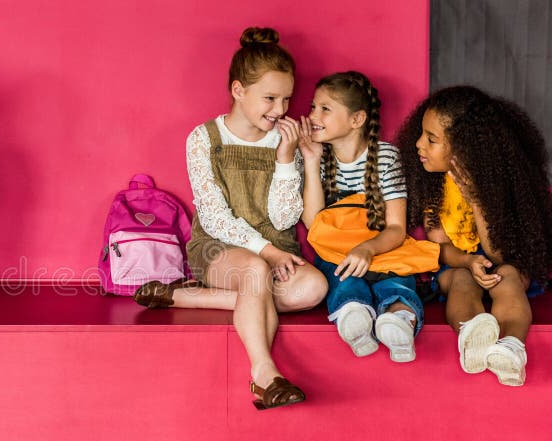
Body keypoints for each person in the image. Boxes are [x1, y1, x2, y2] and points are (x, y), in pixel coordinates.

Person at [134, 27, 327, 410]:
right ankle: (264, 374)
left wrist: (288, 158)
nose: (280, 110)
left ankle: (187, 297)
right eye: (270, 98)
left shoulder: (282, 139)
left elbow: (287, 217)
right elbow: (215, 216)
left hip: (278, 247)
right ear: (239, 90)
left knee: (314, 289)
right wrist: (267, 253)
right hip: (220, 249)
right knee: (254, 271)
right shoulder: (204, 138)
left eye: (286, 99)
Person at [395, 85, 552, 386]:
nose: (418, 144)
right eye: (421, 134)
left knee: (507, 276)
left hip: (501, 261)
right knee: (461, 279)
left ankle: (510, 348)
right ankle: (472, 335)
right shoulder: (432, 186)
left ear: (464, 148)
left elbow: (498, 256)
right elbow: (438, 248)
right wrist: (467, 262)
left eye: (431, 139)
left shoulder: (497, 184)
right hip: (456, 264)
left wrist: (477, 201)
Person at [299, 71, 424, 363]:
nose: (314, 115)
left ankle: (399, 321)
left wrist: (368, 249)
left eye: (325, 109)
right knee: (343, 281)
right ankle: (354, 317)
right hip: (338, 253)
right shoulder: (317, 156)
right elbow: (313, 223)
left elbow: (396, 228)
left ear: (357, 119)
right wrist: (311, 159)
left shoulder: (385, 157)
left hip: (383, 247)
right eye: (313, 107)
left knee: (396, 282)